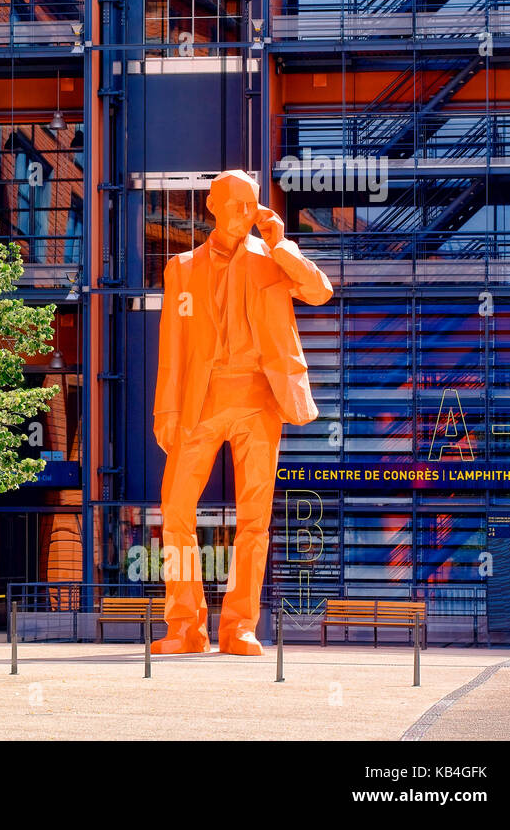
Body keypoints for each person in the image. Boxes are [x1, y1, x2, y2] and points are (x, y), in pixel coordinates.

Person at [152, 169, 333, 655]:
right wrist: (165, 411)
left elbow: (319, 292)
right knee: (175, 511)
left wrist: (283, 245)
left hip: (259, 400)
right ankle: (185, 626)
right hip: (199, 401)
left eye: (249, 206)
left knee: (255, 518)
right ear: (212, 204)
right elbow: (171, 346)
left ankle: (239, 627)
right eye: (233, 204)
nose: (241, 215)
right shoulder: (181, 269)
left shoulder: (273, 261)